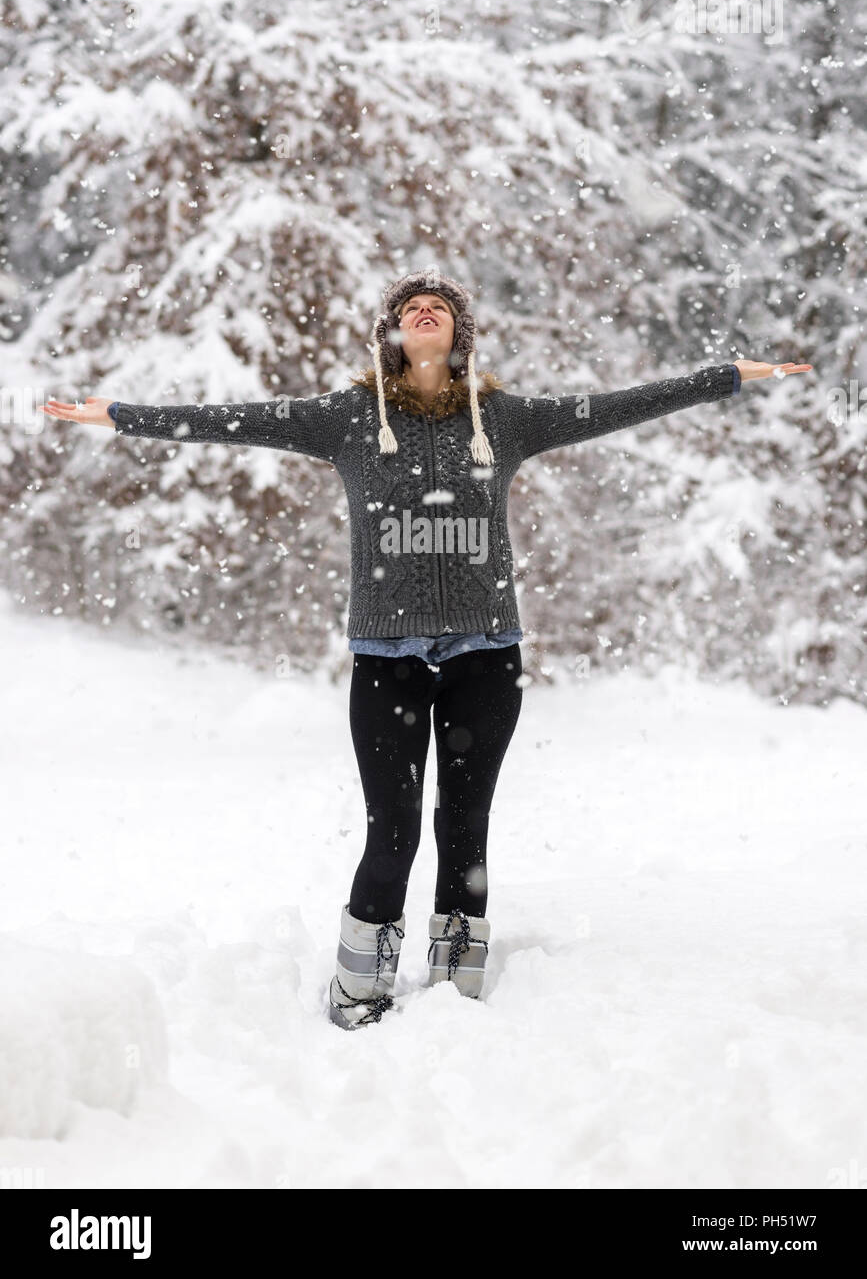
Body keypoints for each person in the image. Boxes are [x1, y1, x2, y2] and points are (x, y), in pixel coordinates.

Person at [40, 270, 812, 1030]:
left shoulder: (503, 418)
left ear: (458, 334)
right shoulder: (346, 416)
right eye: (410, 307)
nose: (423, 311)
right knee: (394, 827)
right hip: (387, 657)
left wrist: (724, 377)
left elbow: (611, 407)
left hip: (486, 655)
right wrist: (124, 416)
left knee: (465, 826)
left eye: (437, 306)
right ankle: (358, 986)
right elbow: (238, 418)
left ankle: (455, 985)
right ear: (392, 334)